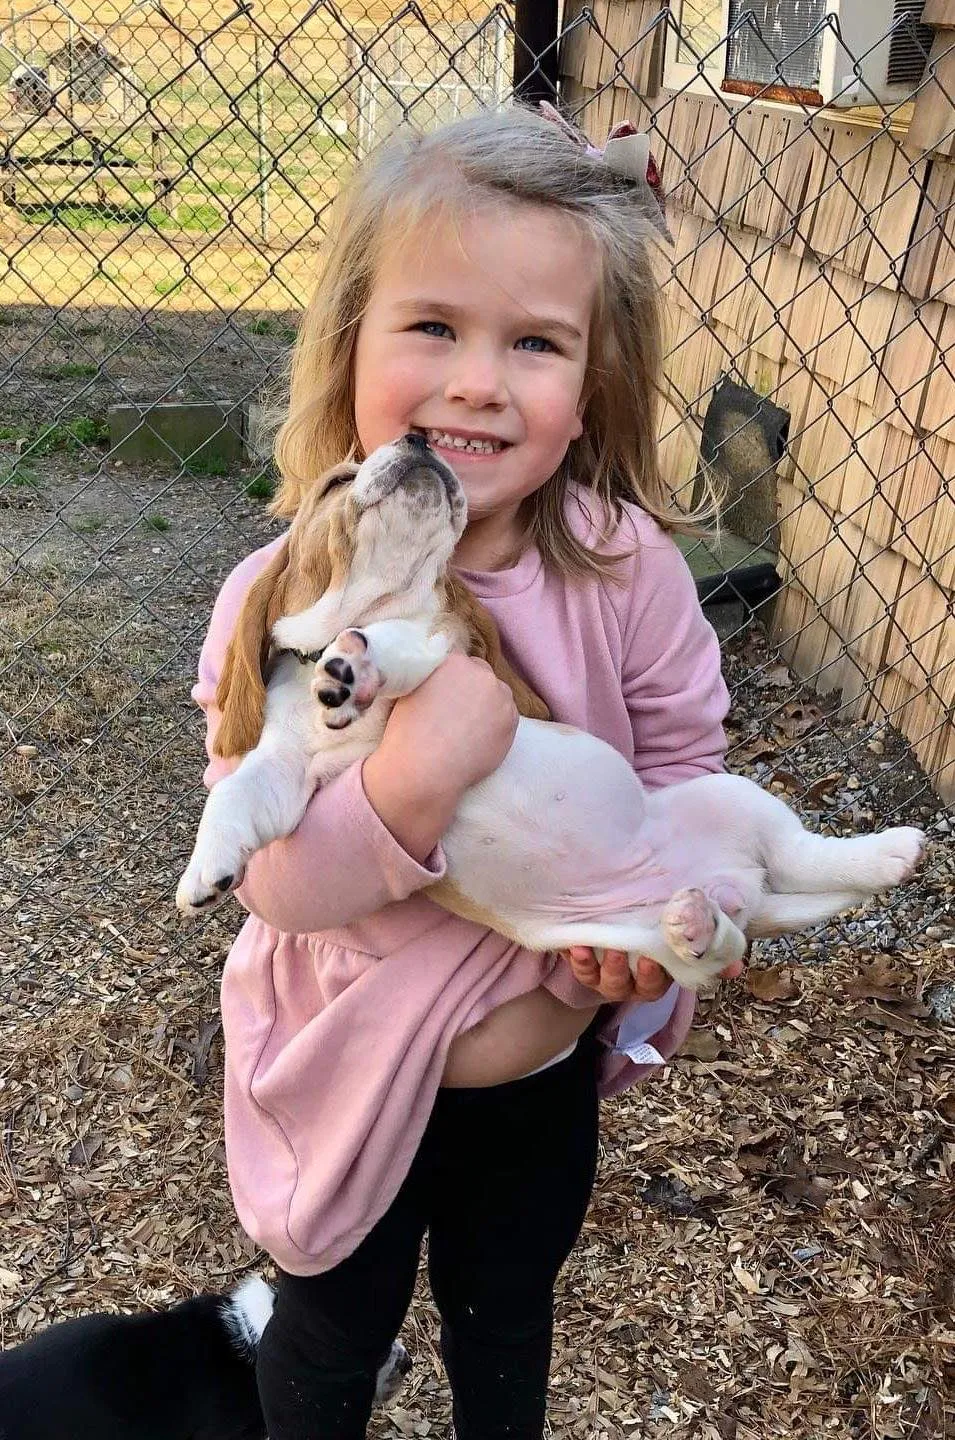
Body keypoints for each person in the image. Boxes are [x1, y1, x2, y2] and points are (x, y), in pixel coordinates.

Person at [190, 105, 741, 1440]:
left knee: (508, 1311)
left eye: (534, 343)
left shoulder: (624, 572)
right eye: (433, 327)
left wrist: (652, 948)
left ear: (593, 380)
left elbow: (683, 777)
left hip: (537, 1073)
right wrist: (418, 777)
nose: (479, 381)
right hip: (343, 1067)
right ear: (351, 345)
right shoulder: (284, 591)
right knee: (327, 1333)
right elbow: (274, 879)